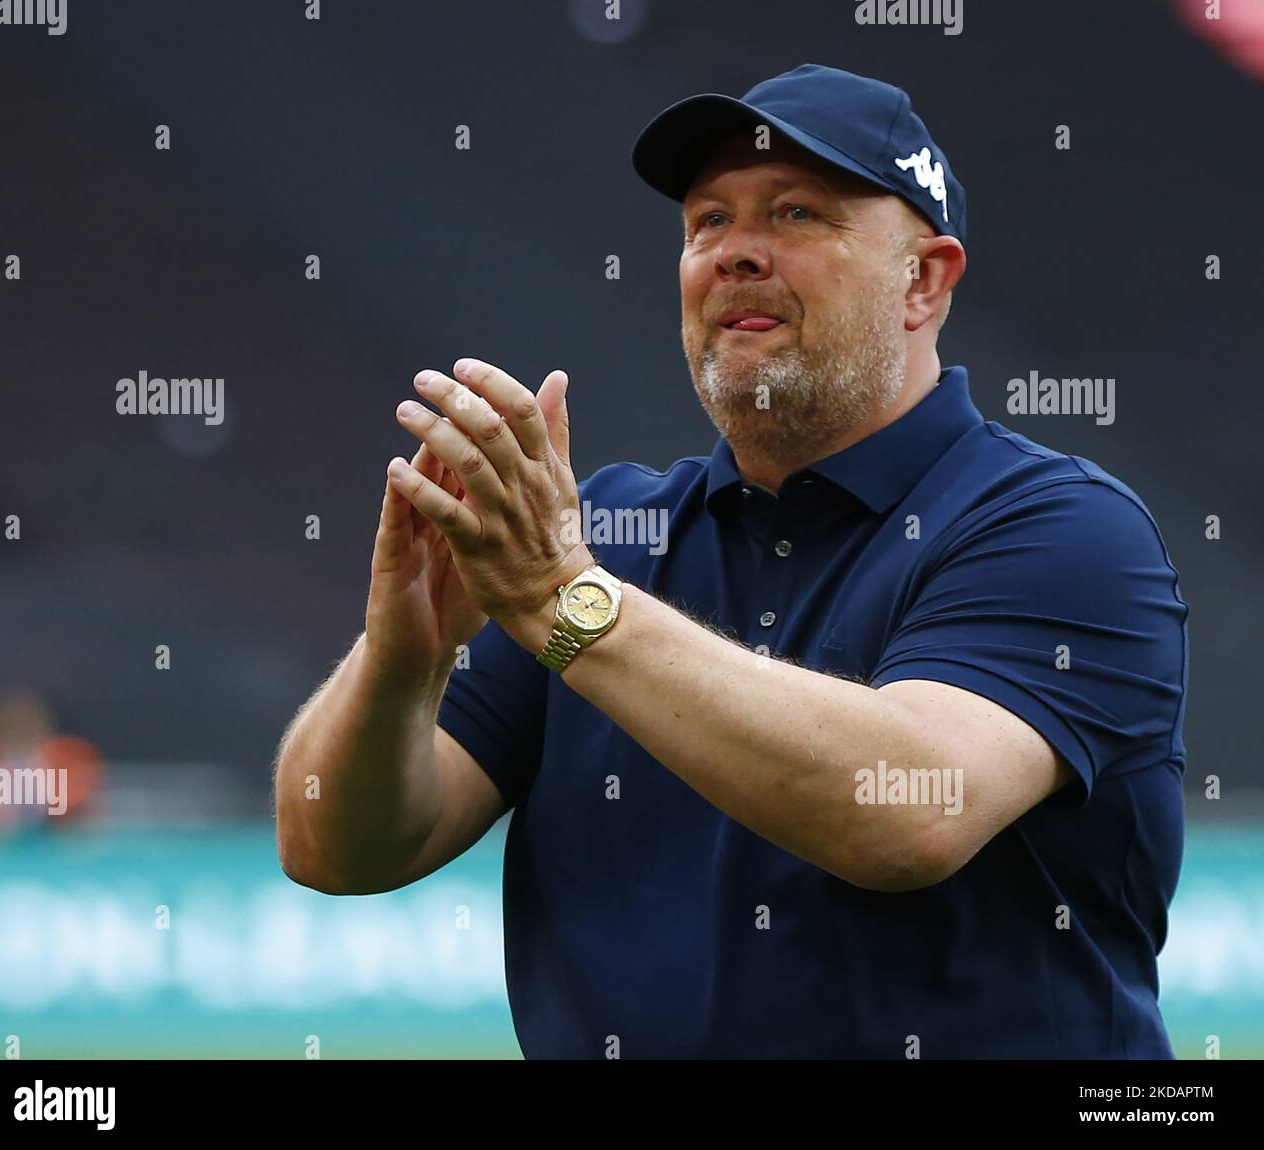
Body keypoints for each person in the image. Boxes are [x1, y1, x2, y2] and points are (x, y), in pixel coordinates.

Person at [274, 64, 1189, 1059]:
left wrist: (559, 600)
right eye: (708, 221)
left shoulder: (1058, 528)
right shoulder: (608, 531)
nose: (737, 254)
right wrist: (399, 662)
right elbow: (336, 848)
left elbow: (908, 812)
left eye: (797, 214)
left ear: (922, 280)